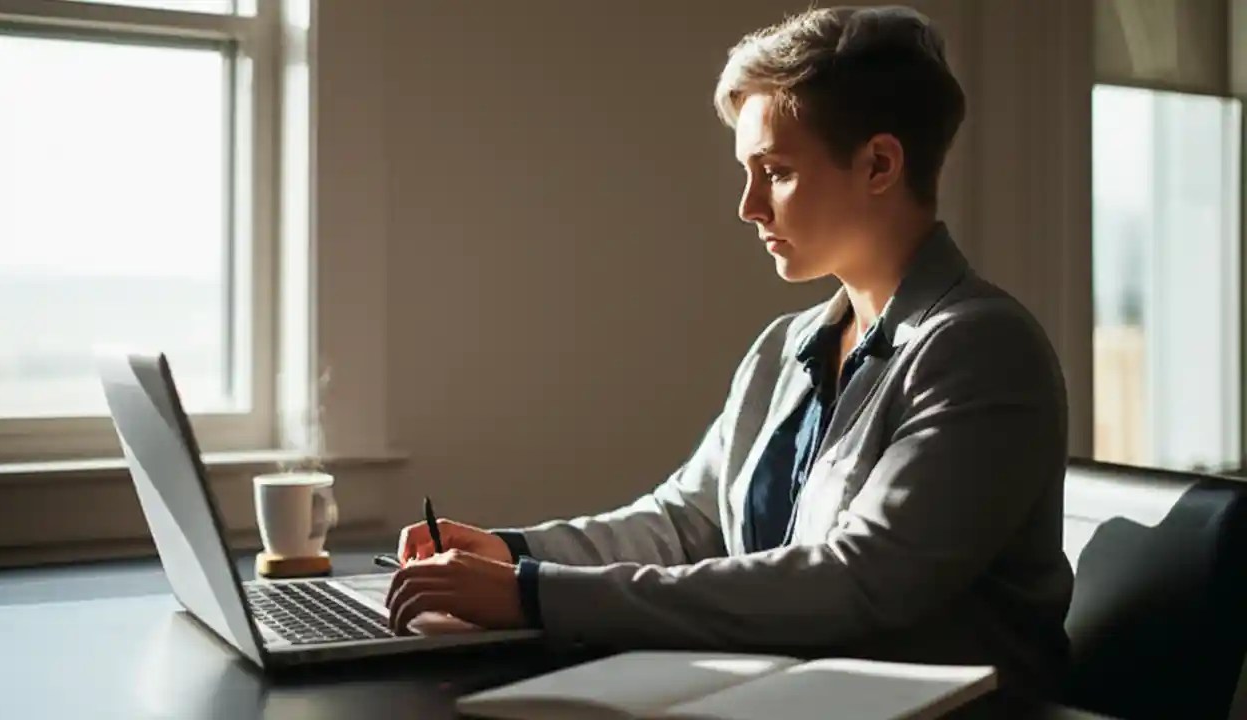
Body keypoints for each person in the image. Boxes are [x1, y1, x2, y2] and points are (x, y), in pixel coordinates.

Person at [385, 5, 1073, 698]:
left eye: (773, 170)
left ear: (880, 165)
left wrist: (531, 594)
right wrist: (514, 553)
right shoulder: (786, 348)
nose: (749, 205)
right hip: (780, 696)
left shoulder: (981, 349)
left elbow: (855, 581)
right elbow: (687, 522)